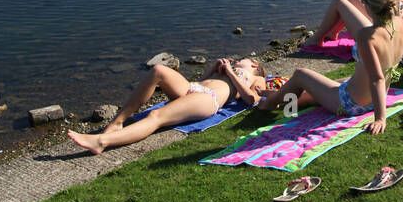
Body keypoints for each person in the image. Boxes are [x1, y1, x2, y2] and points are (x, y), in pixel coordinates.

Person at [259, 0, 403, 135]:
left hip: (350, 102)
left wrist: (381, 119)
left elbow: (377, 78)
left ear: (367, 4)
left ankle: (269, 104)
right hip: (371, 98)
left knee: (301, 74)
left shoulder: (367, 36)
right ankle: (281, 97)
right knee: (322, 87)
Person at [67, 57, 266, 155]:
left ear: (255, 64)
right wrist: (212, 70)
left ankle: (102, 142)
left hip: (208, 99)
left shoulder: (254, 76)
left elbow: (251, 99)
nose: (240, 60)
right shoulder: (227, 71)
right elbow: (202, 82)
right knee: (158, 70)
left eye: (244, 60)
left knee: (156, 116)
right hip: (194, 88)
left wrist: (231, 72)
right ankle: (118, 121)